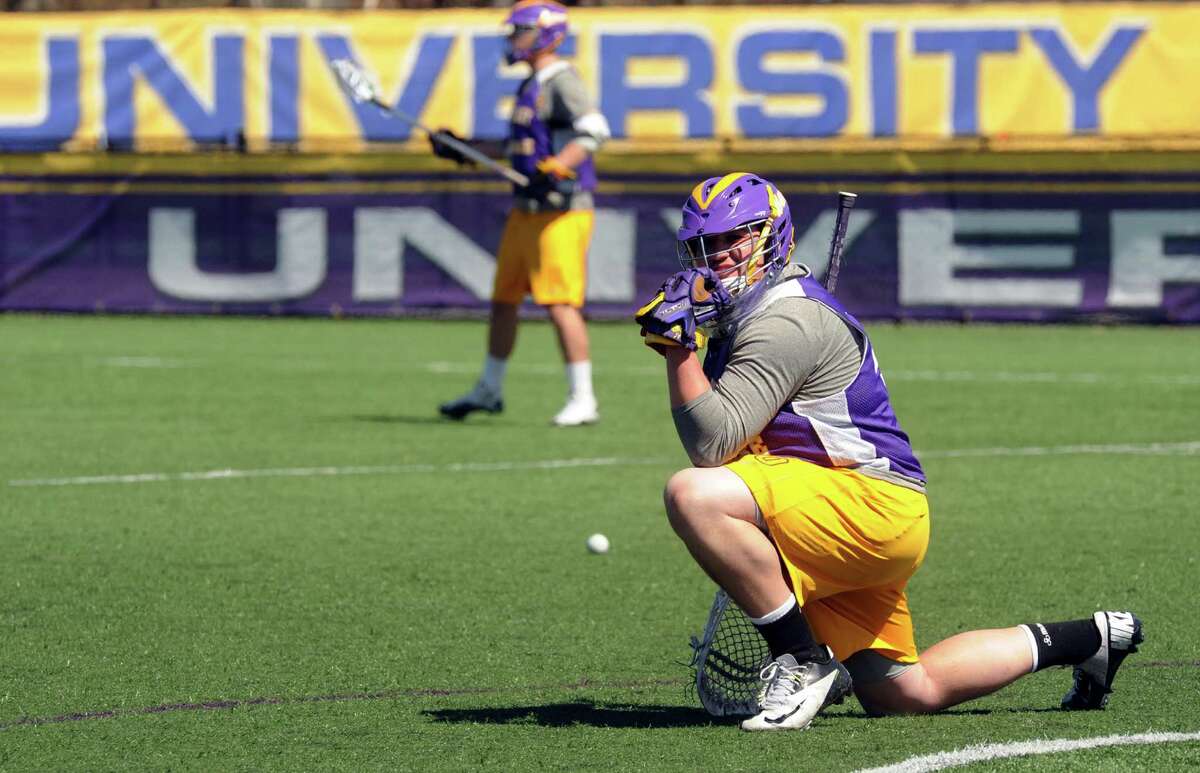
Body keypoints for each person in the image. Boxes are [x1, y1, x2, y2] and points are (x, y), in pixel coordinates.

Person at [635, 172, 1144, 731]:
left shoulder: (787, 319)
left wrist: (677, 350)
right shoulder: (754, 317)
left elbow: (711, 447)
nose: (717, 260)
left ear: (771, 237)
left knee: (694, 495)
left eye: (733, 241)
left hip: (866, 504)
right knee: (904, 692)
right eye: (703, 247)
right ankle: (1091, 638)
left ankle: (803, 660)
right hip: (853, 507)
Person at [433, 0, 610, 427]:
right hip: (526, 210)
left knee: (560, 303)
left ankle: (583, 397)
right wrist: (465, 149)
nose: (513, 39)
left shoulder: (562, 80)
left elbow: (594, 131)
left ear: (546, 33)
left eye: (520, 31)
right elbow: (521, 153)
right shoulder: (530, 83)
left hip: (560, 212)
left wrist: (557, 168)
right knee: (504, 300)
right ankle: (489, 388)